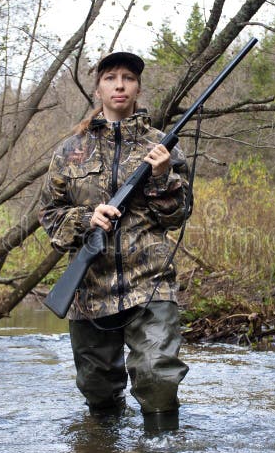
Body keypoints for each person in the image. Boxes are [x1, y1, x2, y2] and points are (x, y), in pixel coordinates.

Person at [39, 51, 190, 432]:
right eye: (110, 78)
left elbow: (178, 215)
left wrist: (160, 178)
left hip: (149, 282)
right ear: (98, 87)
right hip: (89, 288)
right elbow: (49, 215)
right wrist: (85, 219)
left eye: (127, 78)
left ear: (138, 88)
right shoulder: (68, 151)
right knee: (98, 389)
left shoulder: (163, 148)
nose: (119, 85)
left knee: (158, 379)